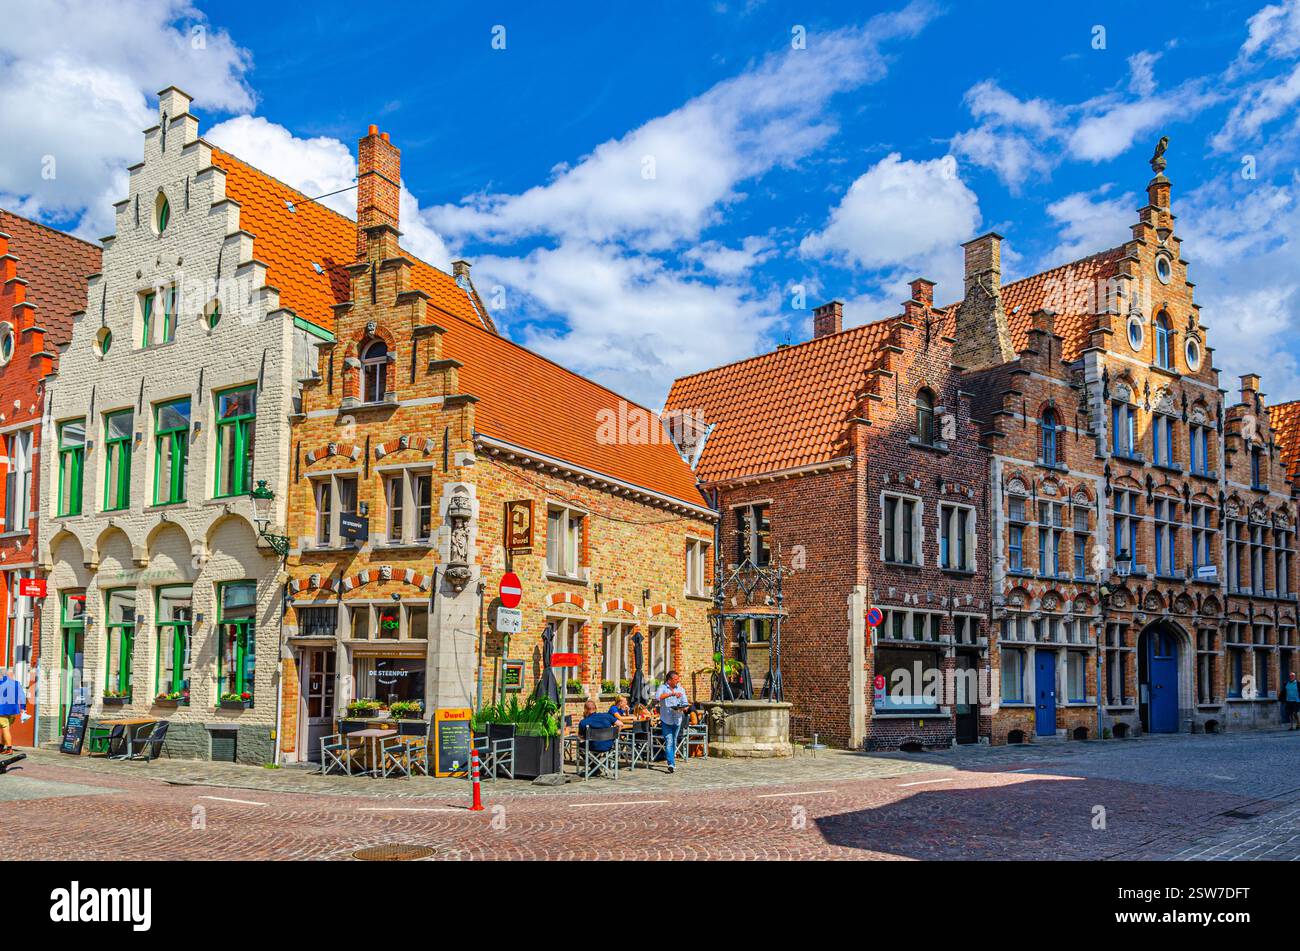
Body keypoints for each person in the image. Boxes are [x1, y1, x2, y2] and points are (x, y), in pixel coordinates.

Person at [654, 671, 689, 773]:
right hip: (666, 719)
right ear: (669, 680)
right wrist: (671, 694)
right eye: (676, 679)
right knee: (669, 741)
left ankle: (671, 761)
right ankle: (671, 764)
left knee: (674, 741)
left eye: (678, 679)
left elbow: (685, 704)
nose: (678, 680)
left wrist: (682, 708)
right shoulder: (662, 688)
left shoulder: (681, 689)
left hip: (677, 719)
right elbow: (657, 697)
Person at [0, 667, 26, 755]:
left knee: (5, 728)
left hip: (2, 711)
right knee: (6, 729)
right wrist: (23, 708)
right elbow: (22, 697)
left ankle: (9, 749)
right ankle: (1, 746)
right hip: (13, 711)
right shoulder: (16, 684)